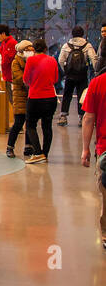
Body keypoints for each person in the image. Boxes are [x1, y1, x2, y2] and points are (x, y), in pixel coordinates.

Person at [78, 68, 106, 250]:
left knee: (105, 195)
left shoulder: (97, 83)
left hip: (104, 150)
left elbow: (88, 118)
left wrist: (85, 149)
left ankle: (105, 235)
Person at [22, 39, 58, 163]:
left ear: (33, 49)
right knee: (47, 126)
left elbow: (26, 79)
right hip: (51, 98)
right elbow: (55, 78)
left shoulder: (31, 60)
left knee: (31, 125)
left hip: (35, 97)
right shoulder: (52, 60)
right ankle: (45, 153)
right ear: (45, 49)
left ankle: (37, 153)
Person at [58, 26, 96, 126]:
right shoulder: (87, 45)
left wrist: (66, 70)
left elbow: (61, 60)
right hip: (82, 75)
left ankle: (63, 116)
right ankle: (81, 117)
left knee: (67, 95)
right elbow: (94, 59)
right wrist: (95, 70)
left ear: (72, 34)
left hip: (70, 75)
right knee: (82, 95)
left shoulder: (67, 45)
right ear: (82, 34)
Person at [6, 39, 32, 159]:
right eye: (28, 49)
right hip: (20, 95)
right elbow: (18, 78)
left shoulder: (32, 61)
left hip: (31, 96)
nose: (31, 51)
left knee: (30, 123)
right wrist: (32, 81)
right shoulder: (16, 62)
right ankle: (10, 147)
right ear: (22, 50)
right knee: (18, 122)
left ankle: (28, 146)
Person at [0, 24, 17, 106]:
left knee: (14, 101)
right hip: (6, 76)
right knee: (11, 100)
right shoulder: (4, 43)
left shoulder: (12, 43)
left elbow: (6, 61)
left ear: (3, 33)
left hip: (11, 78)